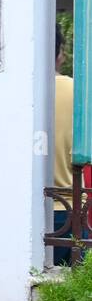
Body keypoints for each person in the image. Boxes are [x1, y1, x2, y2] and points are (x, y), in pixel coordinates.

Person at [50, 29, 83, 266]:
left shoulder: (13, 93)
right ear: (60, 53)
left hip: (17, 209)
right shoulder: (79, 92)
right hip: (68, 210)